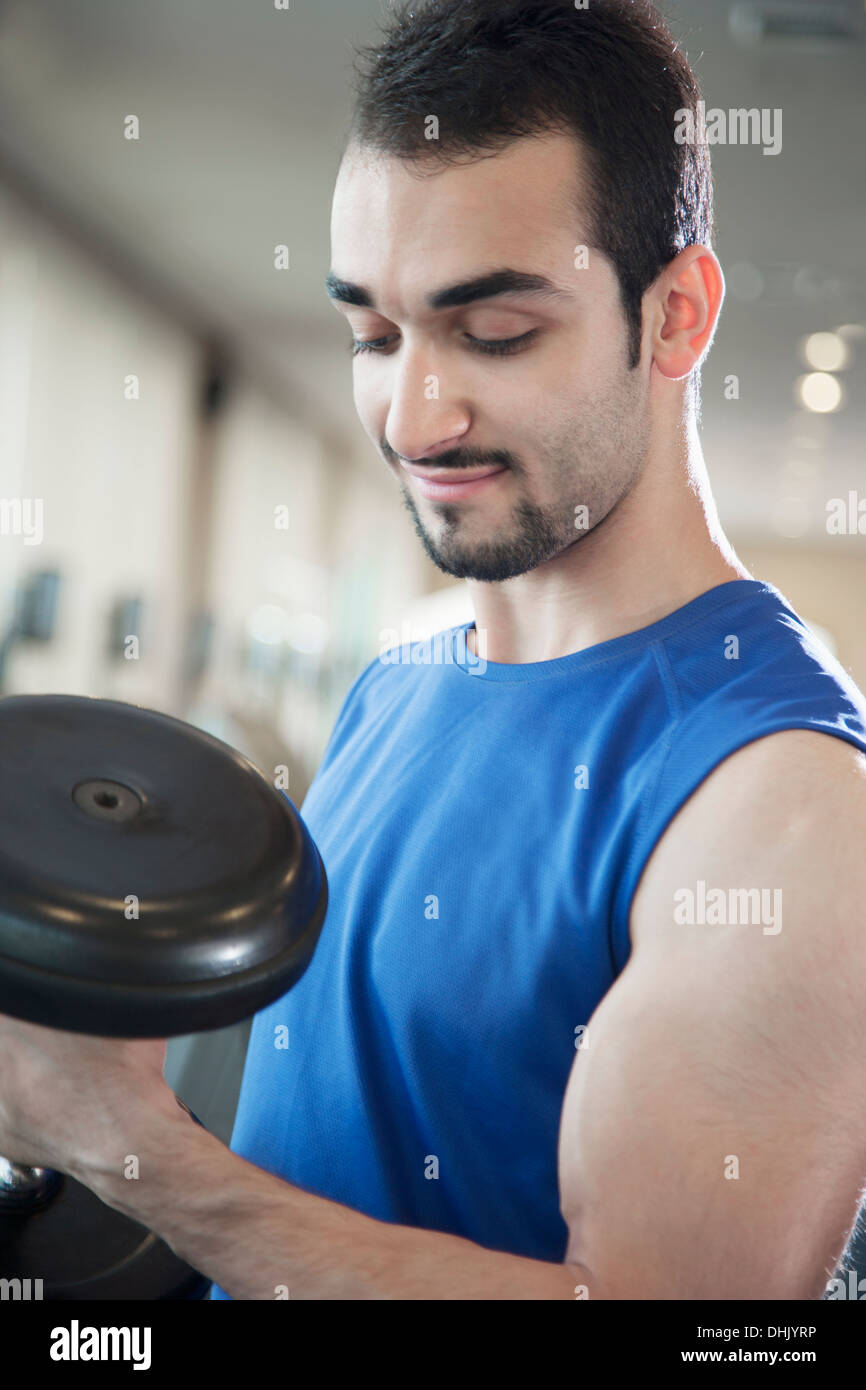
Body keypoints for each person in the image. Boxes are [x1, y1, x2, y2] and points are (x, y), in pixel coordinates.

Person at [2, 0, 865, 1301]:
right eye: (374, 333)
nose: (414, 413)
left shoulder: (777, 805)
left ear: (676, 314)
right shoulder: (399, 683)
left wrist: (136, 1155)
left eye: (495, 332)